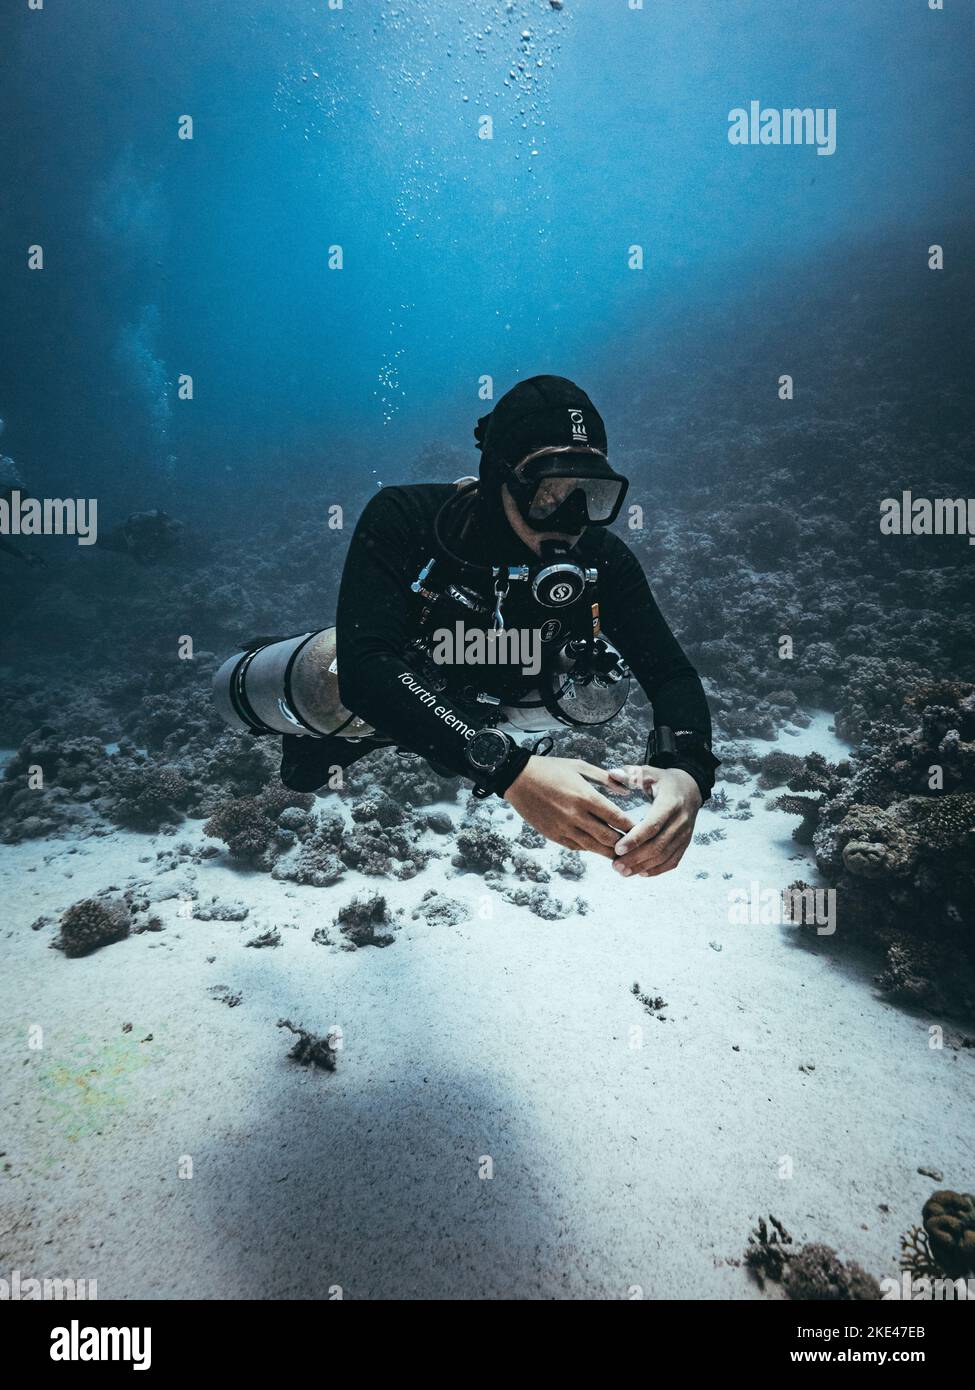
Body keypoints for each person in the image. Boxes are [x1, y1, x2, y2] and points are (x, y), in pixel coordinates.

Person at [285, 375, 719, 880]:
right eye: (549, 494)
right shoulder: (406, 518)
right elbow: (366, 668)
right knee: (308, 757)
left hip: (499, 710)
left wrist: (688, 771)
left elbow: (670, 674)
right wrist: (510, 770)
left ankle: (461, 745)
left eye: (591, 495)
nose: (571, 520)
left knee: (458, 754)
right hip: (399, 696)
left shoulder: (604, 562)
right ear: (499, 477)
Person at [97, 509, 182, 564]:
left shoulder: (161, 534)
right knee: (105, 542)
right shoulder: (153, 521)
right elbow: (130, 525)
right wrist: (130, 541)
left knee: (105, 544)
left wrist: (147, 561)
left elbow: (147, 551)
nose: (170, 533)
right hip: (123, 536)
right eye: (171, 530)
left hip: (129, 544)